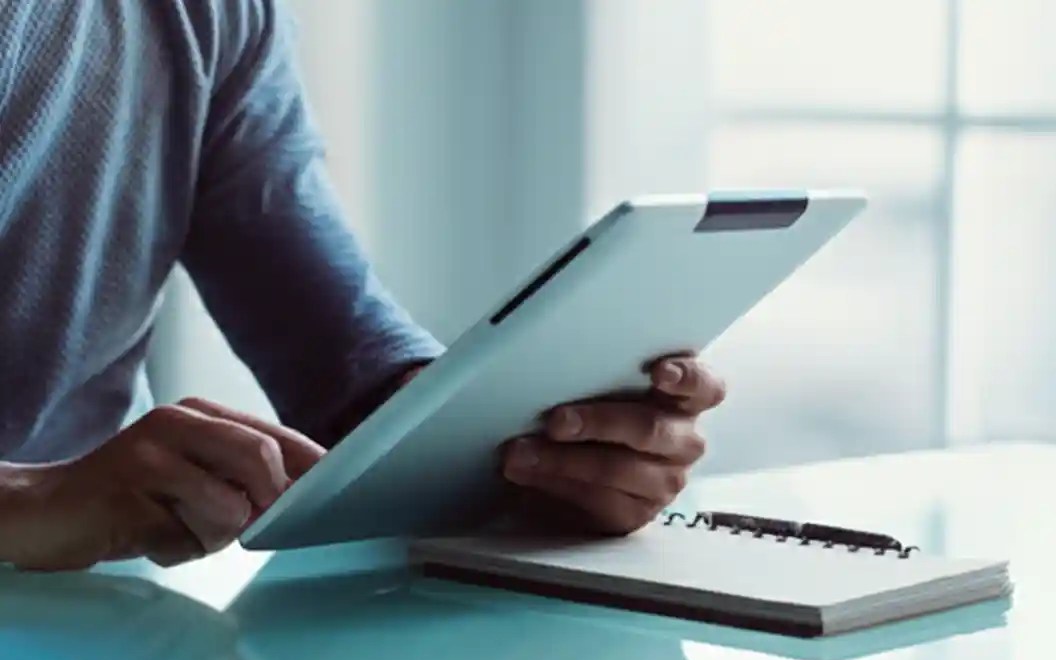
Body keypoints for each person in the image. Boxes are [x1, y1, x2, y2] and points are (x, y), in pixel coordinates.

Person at [0, 0, 724, 571]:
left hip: (100, 617)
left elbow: (344, 361)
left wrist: (527, 458)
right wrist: (29, 500)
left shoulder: (214, 13)